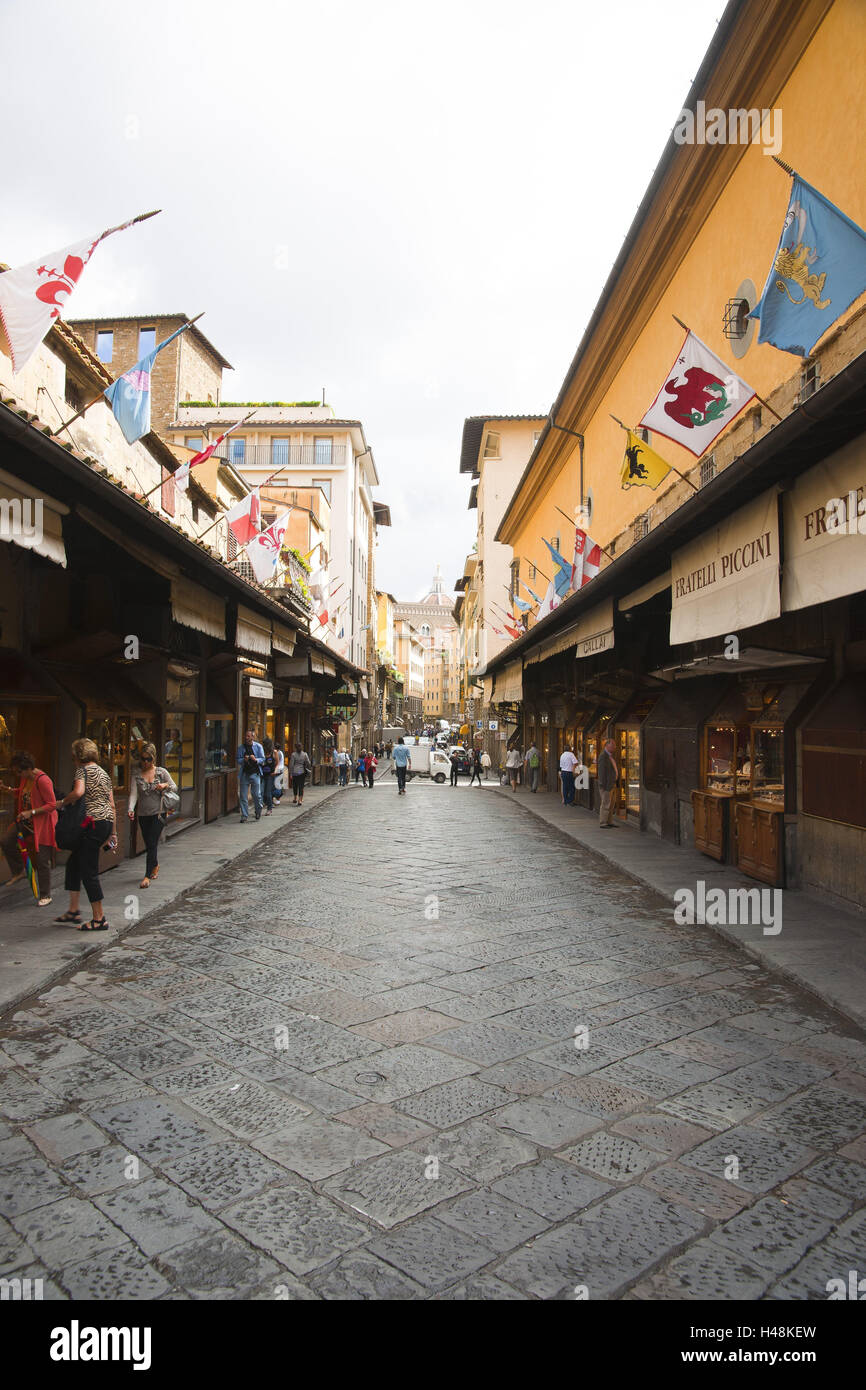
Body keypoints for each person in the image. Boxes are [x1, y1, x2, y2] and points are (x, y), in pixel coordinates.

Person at [53, 738, 117, 930]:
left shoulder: (83, 770)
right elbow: (112, 804)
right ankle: (73, 910)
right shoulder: (104, 773)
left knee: (89, 870)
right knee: (74, 863)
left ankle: (99, 918)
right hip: (104, 823)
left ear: (77, 755)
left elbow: (79, 792)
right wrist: (113, 833)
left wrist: (62, 802)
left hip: (92, 823)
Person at [1, 751, 57, 907]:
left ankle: (45, 895)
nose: (18, 775)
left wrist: (31, 812)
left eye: (19, 771)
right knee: (6, 841)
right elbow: (23, 794)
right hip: (25, 822)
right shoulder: (26, 779)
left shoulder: (43, 780)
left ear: (27, 768)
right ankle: (18, 871)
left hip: (41, 825)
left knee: (41, 859)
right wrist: (7, 789)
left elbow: (52, 804)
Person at [128, 743, 177, 888]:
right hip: (143, 814)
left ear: (153, 759)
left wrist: (164, 785)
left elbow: (174, 787)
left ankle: (147, 876)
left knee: (152, 843)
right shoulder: (137, 775)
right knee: (149, 842)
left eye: (148, 759)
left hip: (159, 812)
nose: (145, 762)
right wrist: (130, 809)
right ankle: (155, 865)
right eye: (143, 759)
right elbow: (134, 794)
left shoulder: (161, 773)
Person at [237, 729, 264, 823]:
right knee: (243, 796)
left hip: (255, 773)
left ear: (253, 737)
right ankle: (244, 815)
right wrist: (243, 760)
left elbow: (263, 759)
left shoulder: (258, 746)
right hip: (244, 774)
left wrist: (255, 759)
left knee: (256, 795)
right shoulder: (241, 748)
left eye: (249, 736)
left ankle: (258, 810)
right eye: (246, 736)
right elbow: (238, 759)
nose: (246, 738)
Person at [598, 736, 619, 828]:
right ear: (606, 745)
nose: (614, 747)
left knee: (611, 804)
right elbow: (602, 772)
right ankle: (603, 822)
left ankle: (609, 821)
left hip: (612, 784)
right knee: (606, 804)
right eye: (613, 745)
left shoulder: (610, 756)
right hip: (606, 785)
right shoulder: (603, 756)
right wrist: (603, 785)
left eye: (614, 745)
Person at [261, 737, 277, 816]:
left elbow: (277, 762)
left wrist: (274, 771)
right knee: (261, 792)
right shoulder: (262, 752)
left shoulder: (274, 752)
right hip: (262, 774)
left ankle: (269, 808)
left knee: (268, 792)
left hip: (270, 775)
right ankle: (263, 806)